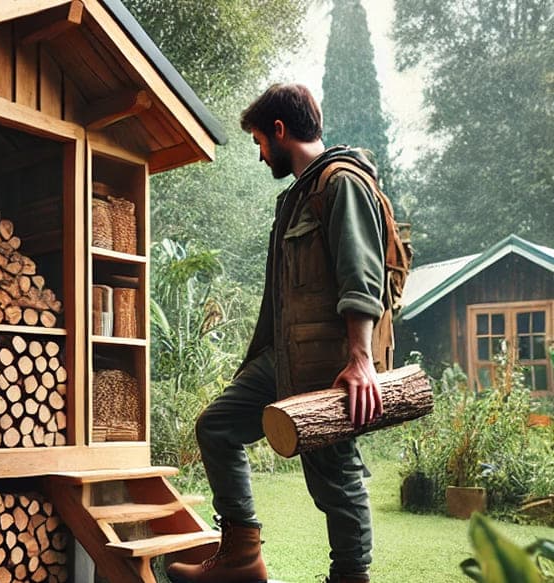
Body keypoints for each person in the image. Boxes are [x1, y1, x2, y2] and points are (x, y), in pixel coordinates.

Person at [166, 84, 394, 583]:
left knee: (335, 477)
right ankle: (242, 558)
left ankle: (350, 577)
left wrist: (360, 359)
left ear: (279, 129)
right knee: (217, 427)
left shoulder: (341, 183)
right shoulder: (298, 195)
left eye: (258, 141)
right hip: (283, 359)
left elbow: (362, 277)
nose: (259, 152)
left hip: (327, 366)